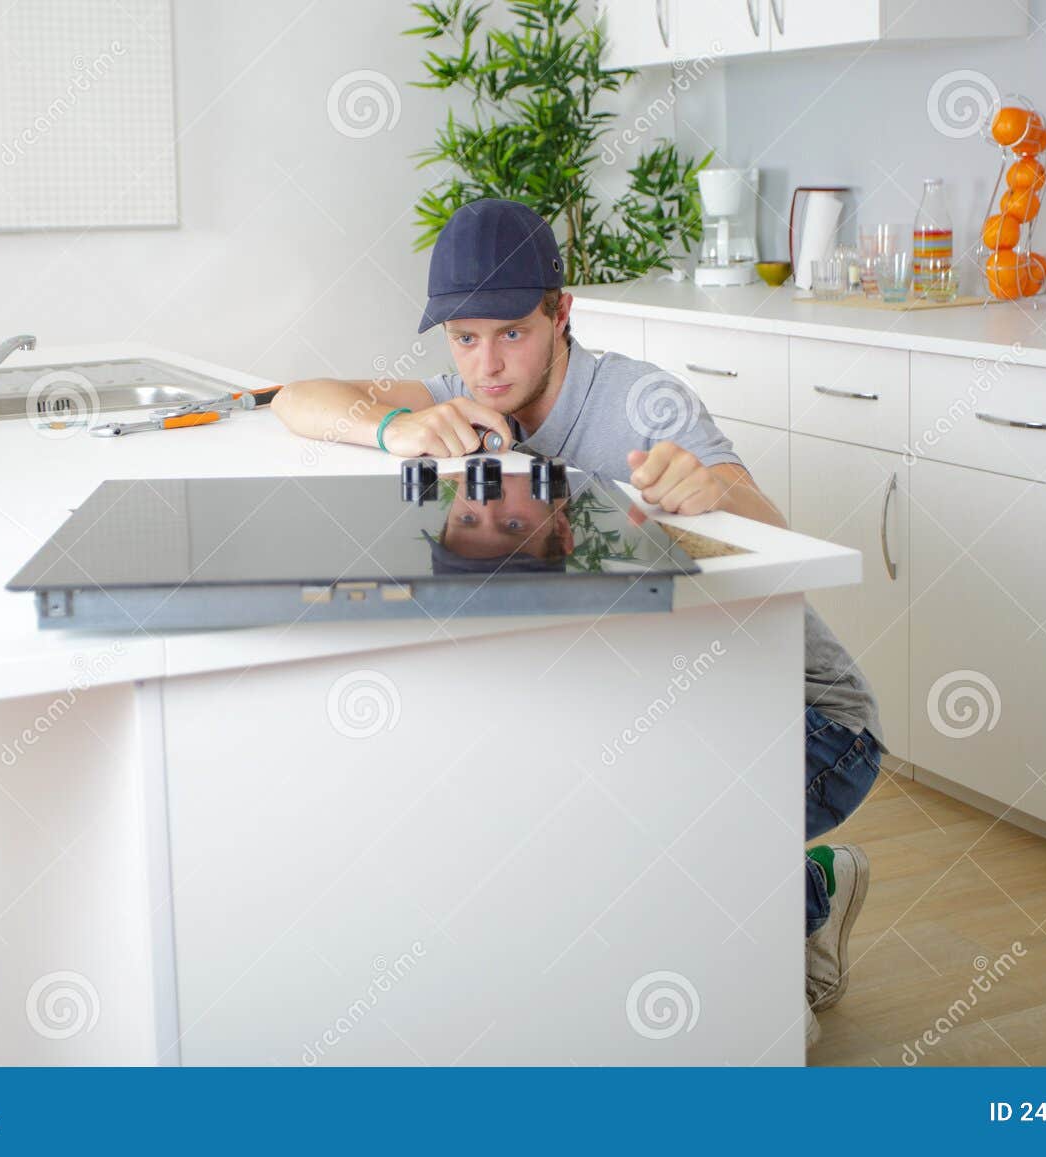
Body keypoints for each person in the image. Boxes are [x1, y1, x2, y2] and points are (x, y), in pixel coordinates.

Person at [271, 198, 882, 1049]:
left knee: (614, 836)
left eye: (512, 333)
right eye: (464, 337)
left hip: (810, 725)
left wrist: (714, 491)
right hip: (676, 706)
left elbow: (766, 516)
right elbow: (296, 399)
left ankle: (791, 924)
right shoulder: (461, 400)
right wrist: (393, 424)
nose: (485, 364)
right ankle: (780, 890)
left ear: (562, 314)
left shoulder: (640, 404)